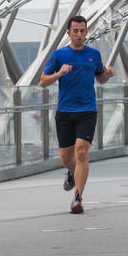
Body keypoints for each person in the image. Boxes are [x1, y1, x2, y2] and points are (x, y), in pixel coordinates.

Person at [41, 15, 115, 214]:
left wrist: (107, 74)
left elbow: (100, 79)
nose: (80, 34)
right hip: (65, 111)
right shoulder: (59, 55)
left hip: (87, 110)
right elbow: (43, 81)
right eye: (76, 31)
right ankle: (72, 173)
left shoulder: (94, 55)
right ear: (69, 33)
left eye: (82, 31)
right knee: (67, 158)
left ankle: (77, 198)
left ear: (86, 32)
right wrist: (59, 74)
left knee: (81, 152)